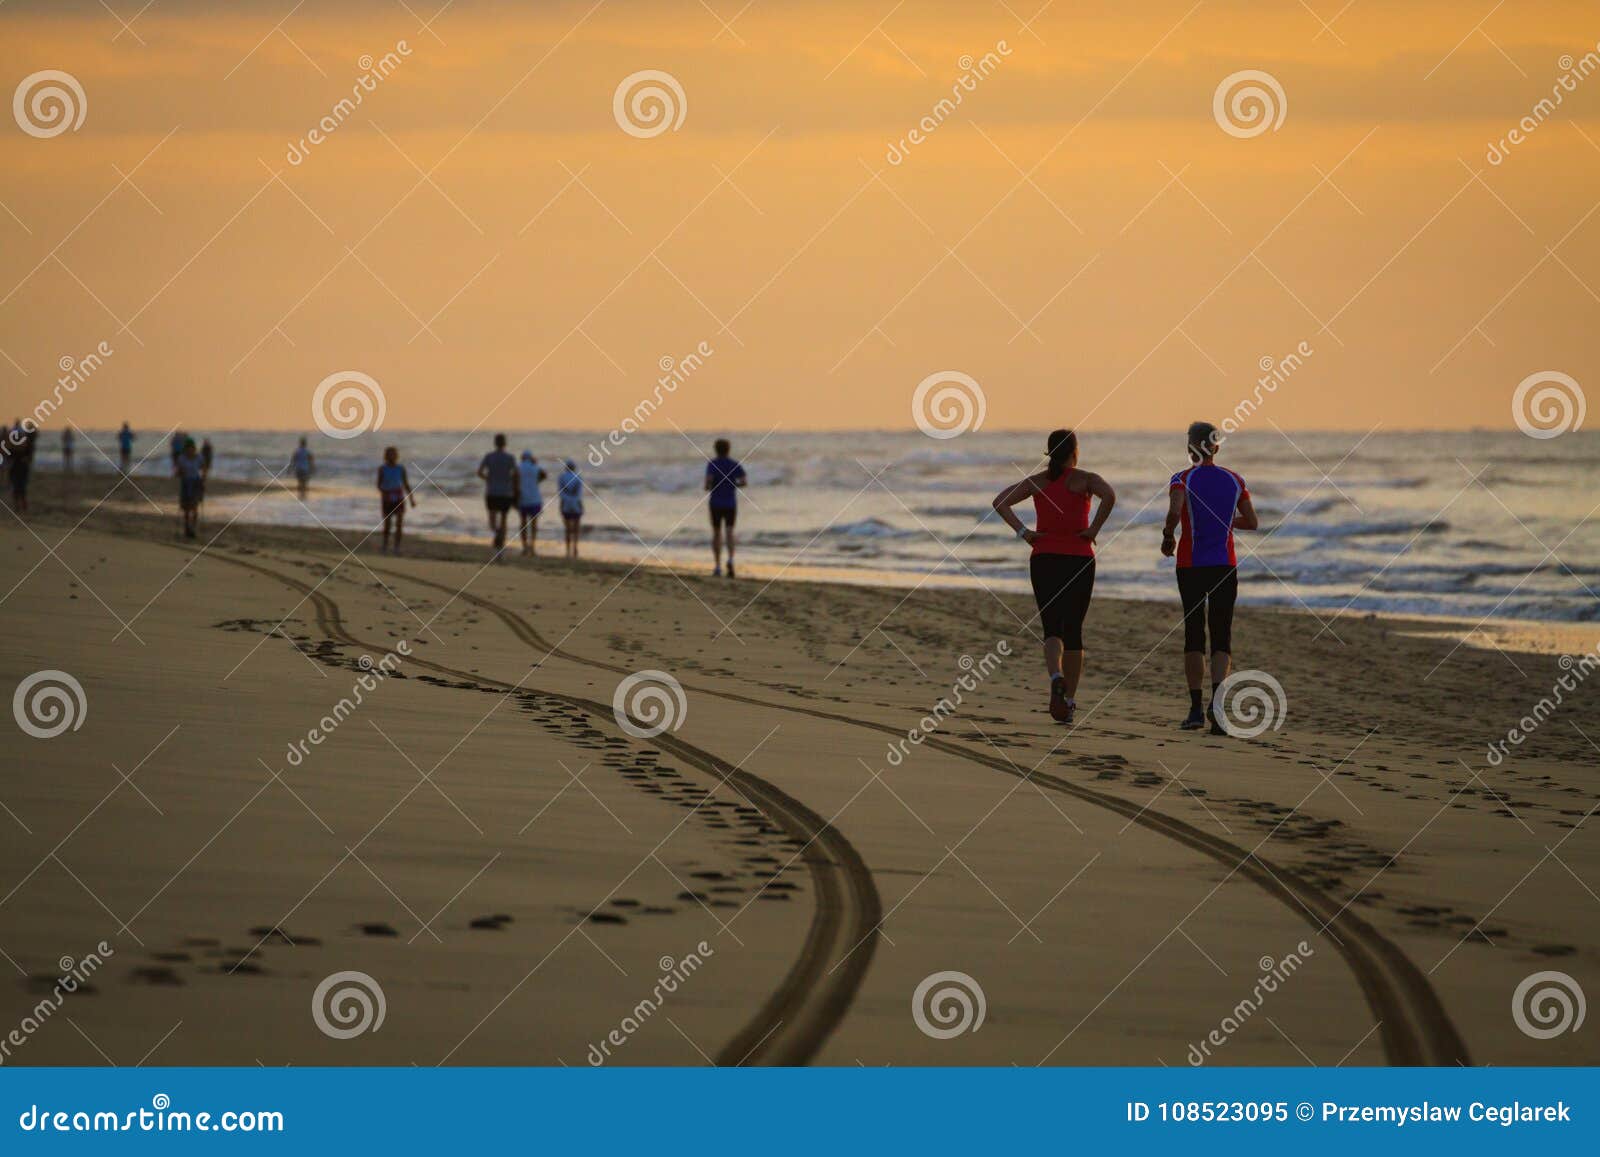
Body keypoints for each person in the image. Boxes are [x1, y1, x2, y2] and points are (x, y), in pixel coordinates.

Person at [991, 429, 1116, 725]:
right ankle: (1069, 700)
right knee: (1073, 631)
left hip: (1044, 557)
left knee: (1051, 627)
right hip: (1079, 558)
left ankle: (1056, 675)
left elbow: (999, 502)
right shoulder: (1085, 478)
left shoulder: (1037, 481)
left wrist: (1025, 533)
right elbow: (1110, 496)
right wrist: (1094, 529)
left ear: (1049, 453)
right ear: (1075, 451)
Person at [1161, 420, 1259, 734]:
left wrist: (1168, 535)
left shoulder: (1182, 478)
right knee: (1221, 634)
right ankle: (1217, 708)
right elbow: (1252, 522)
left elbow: (1176, 512)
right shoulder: (1235, 480)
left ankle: (1194, 710)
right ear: (1216, 447)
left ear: (1191, 447)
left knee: (1193, 632)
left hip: (1190, 565)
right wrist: (1224, 520)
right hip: (1224, 565)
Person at [704, 438, 747, 578]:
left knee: (716, 533)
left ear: (716, 449)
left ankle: (717, 566)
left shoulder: (712, 464)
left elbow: (707, 483)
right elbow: (744, 481)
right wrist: (734, 485)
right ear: (728, 449)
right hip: (730, 503)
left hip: (715, 503)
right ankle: (730, 559)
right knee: (729, 531)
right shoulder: (734, 464)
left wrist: (710, 486)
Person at [477, 433, 520, 559]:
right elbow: (516, 474)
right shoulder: (510, 458)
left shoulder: (489, 457)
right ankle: (501, 549)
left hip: (492, 492)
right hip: (506, 493)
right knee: (504, 520)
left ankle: (497, 534)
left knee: (492, 521)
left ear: (495, 443)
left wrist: (488, 479)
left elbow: (479, 472)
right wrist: (512, 484)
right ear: (505, 444)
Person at [376, 446, 416, 555]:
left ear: (397, 456)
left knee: (399, 523)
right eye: (389, 454)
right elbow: (379, 485)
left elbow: (406, 484)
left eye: (393, 454)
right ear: (386, 456)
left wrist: (411, 498)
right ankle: (385, 546)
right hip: (387, 498)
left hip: (399, 497)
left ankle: (397, 547)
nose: (392, 456)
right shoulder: (382, 469)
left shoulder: (401, 468)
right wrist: (385, 492)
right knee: (387, 524)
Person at [174, 437, 205, 539]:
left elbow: (203, 468)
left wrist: (203, 480)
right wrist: (180, 473)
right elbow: (178, 472)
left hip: (196, 482)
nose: (190, 450)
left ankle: (194, 528)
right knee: (186, 508)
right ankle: (187, 527)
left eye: (192, 448)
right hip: (186, 483)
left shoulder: (199, 457)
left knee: (195, 506)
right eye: (188, 448)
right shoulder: (182, 458)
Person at [517, 451, 547, 557]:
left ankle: (524, 547)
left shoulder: (518, 467)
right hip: (535, 499)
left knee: (523, 524)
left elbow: (513, 479)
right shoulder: (535, 467)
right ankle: (532, 545)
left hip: (522, 499)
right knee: (534, 524)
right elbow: (544, 474)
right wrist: (537, 480)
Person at [7, 422, 36, 514]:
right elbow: (9, 457)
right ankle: (19, 506)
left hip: (21, 468)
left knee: (21, 487)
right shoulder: (15, 445)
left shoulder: (26, 445)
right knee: (17, 487)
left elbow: (29, 457)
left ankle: (22, 505)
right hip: (17, 468)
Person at [558, 459, 584, 560]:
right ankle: (575, 548)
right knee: (576, 528)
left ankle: (568, 550)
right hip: (576, 505)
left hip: (566, 505)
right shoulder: (578, 477)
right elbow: (579, 494)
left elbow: (560, 493)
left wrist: (561, 505)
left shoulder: (561, 477)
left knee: (567, 529)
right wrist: (581, 505)